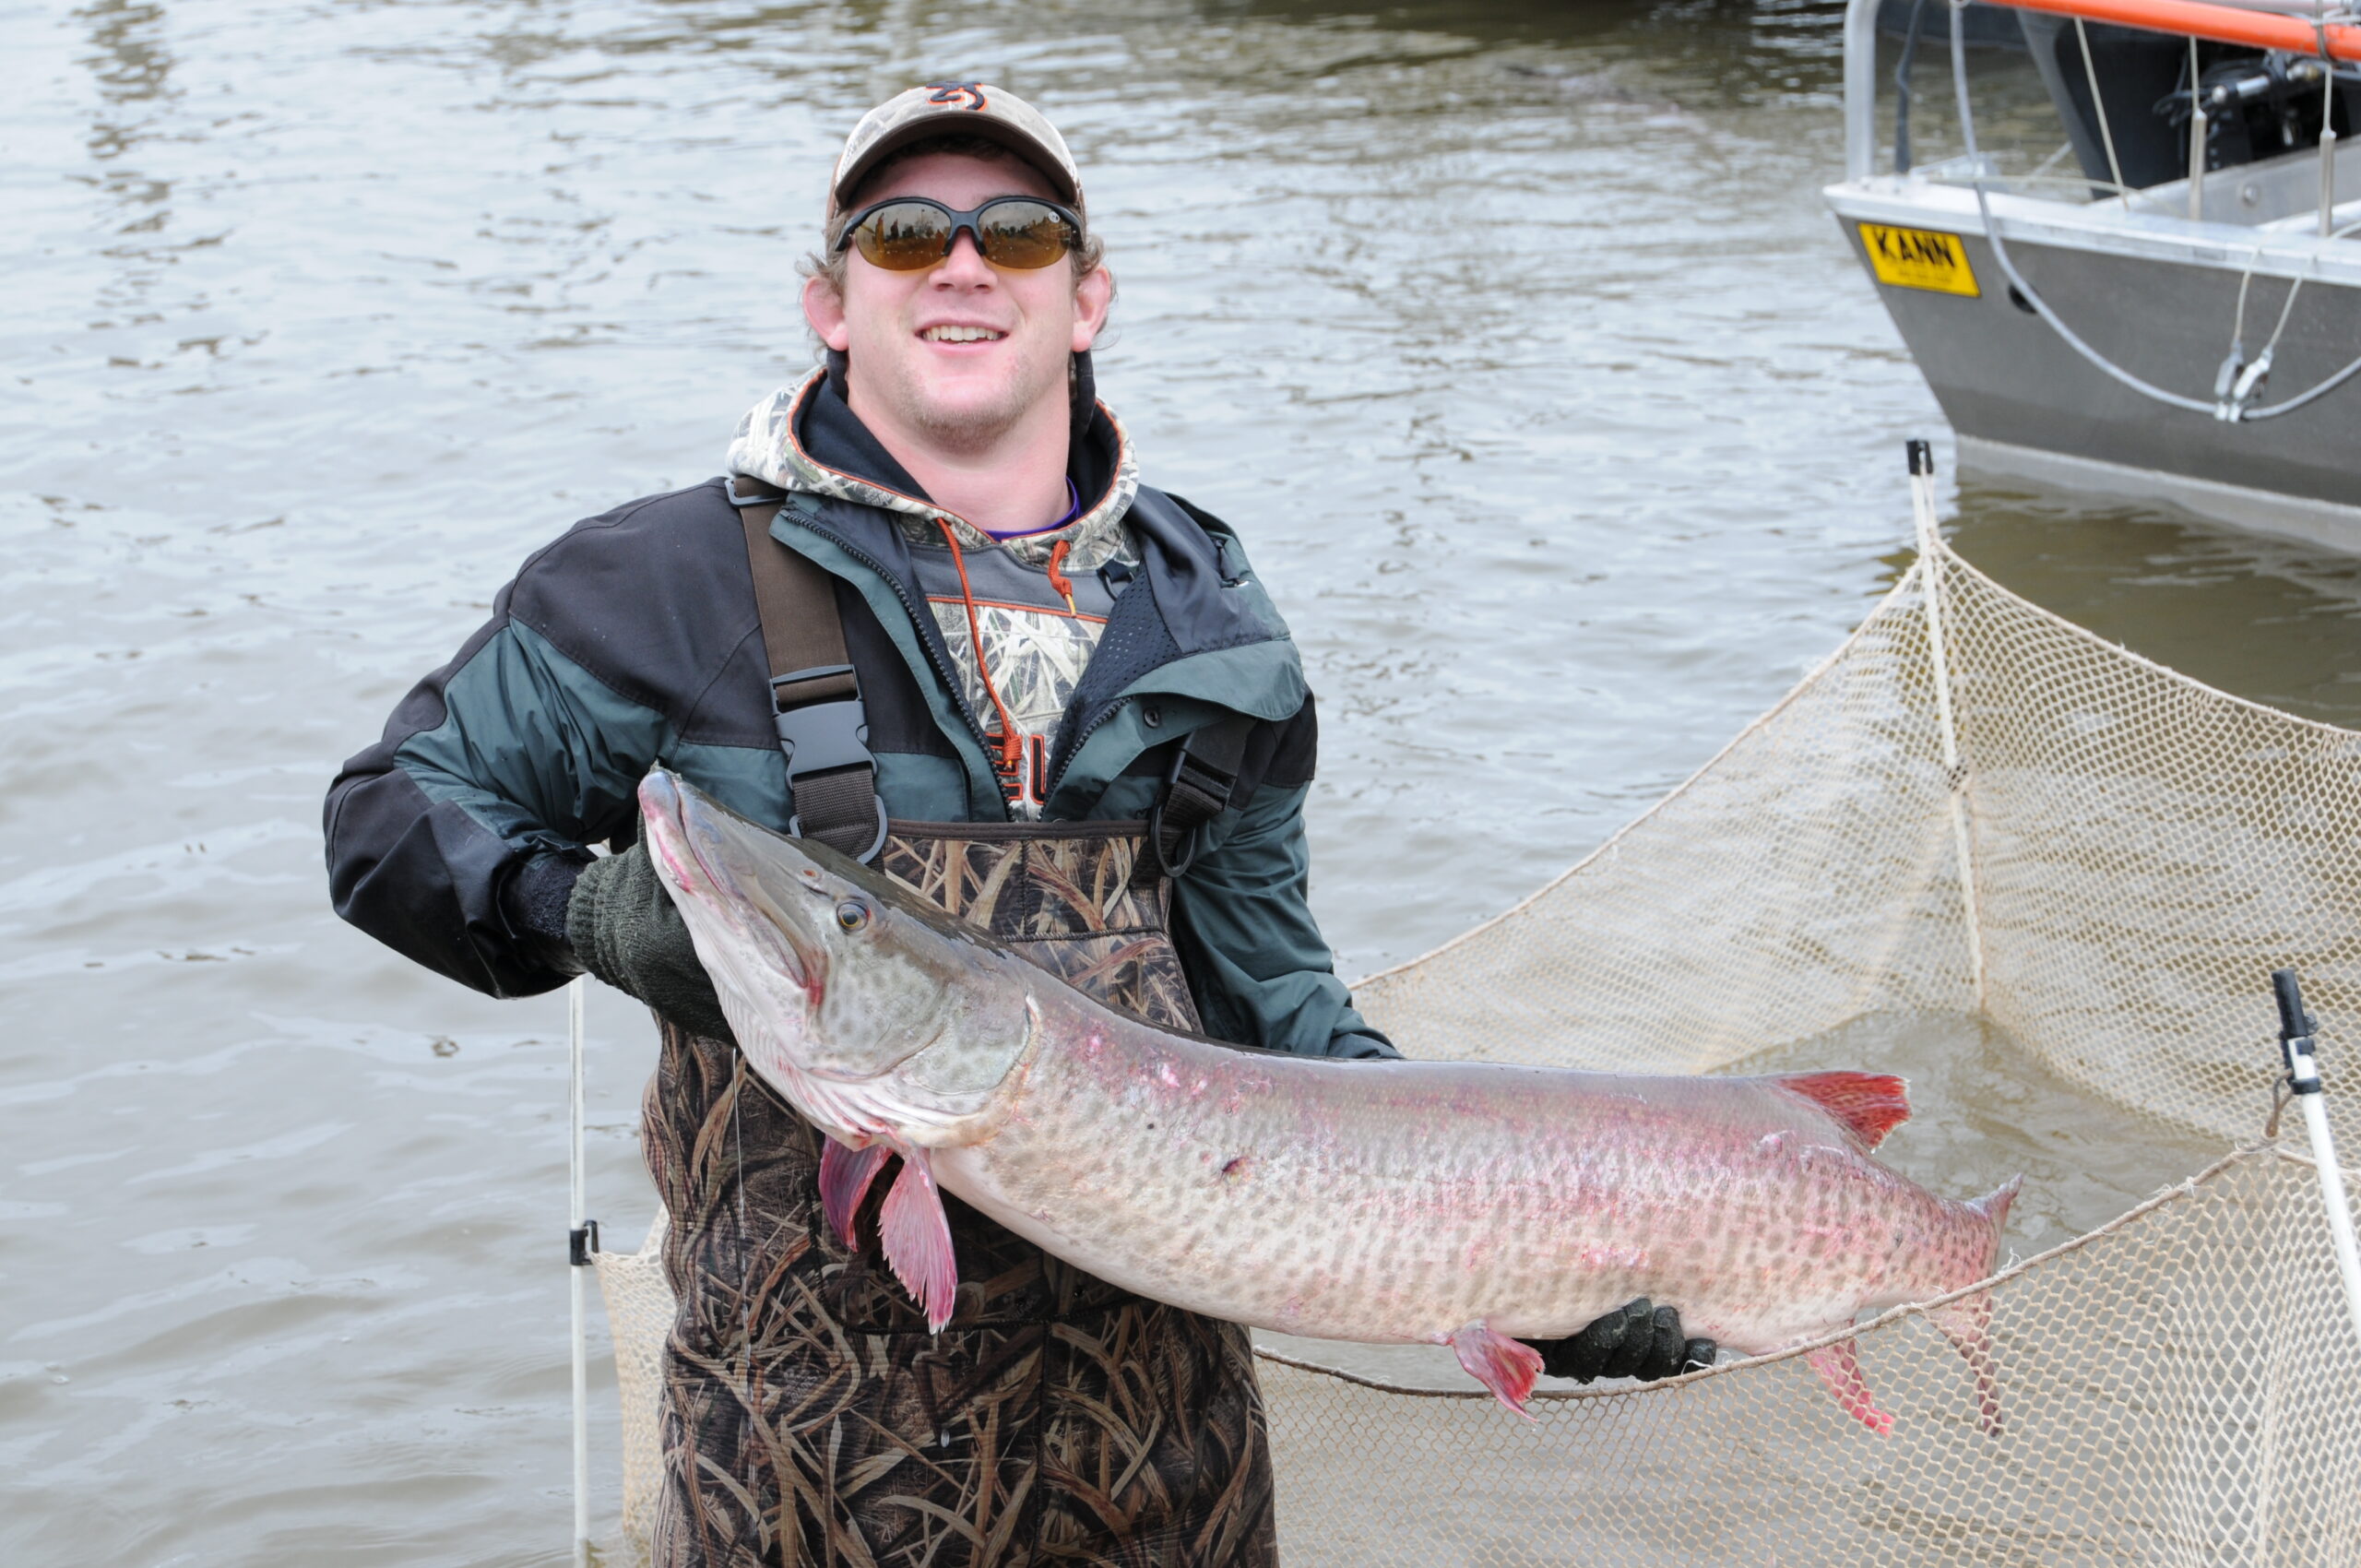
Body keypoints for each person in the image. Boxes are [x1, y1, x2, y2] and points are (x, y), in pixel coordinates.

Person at [325, 81, 1708, 1567]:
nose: (965, 263)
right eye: (906, 232)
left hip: (1171, 1484)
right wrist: (583, 912)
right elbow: (390, 813)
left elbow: (1279, 1005)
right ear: (830, 302)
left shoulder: (1210, 616)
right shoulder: (657, 585)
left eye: (1020, 231)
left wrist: (1519, 1264)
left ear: (1089, 295)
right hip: (793, 1488)